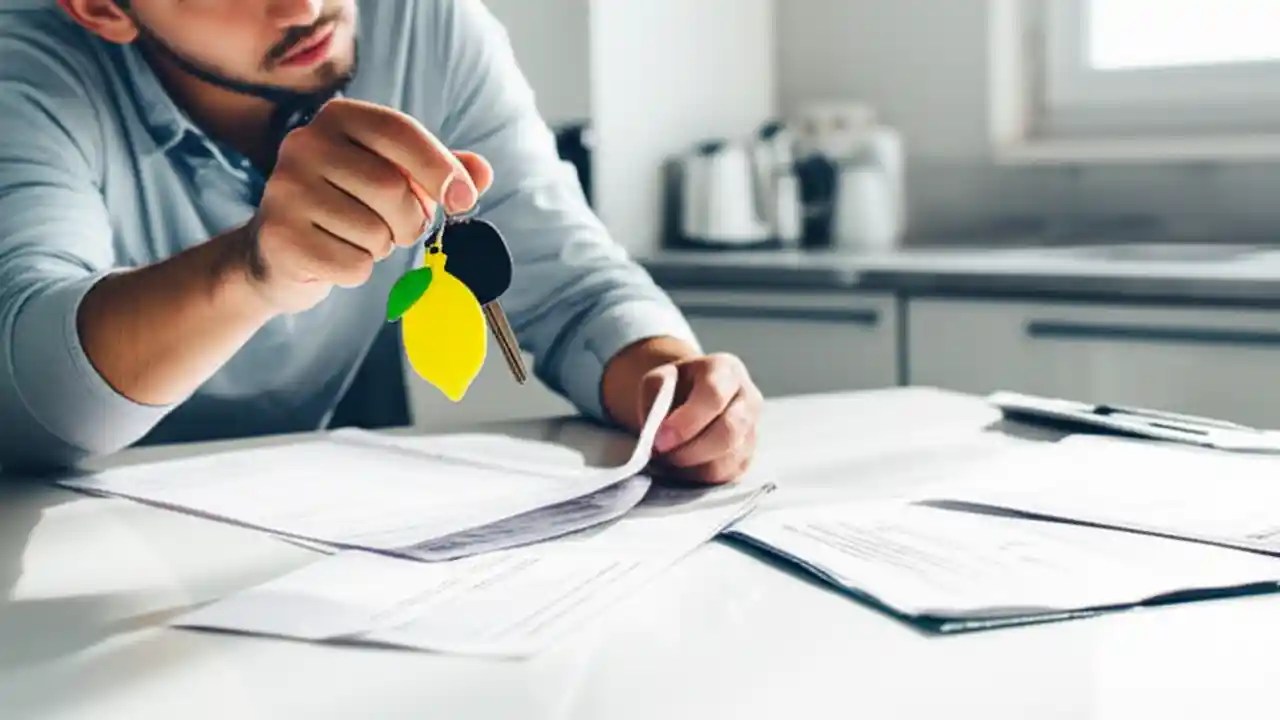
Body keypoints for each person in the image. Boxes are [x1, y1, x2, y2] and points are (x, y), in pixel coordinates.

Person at [0, 0, 763, 483]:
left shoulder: (425, 23)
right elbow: (30, 397)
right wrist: (249, 271)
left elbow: (573, 288)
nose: (307, 7)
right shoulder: (25, 67)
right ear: (100, 8)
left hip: (329, 538)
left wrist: (675, 389)